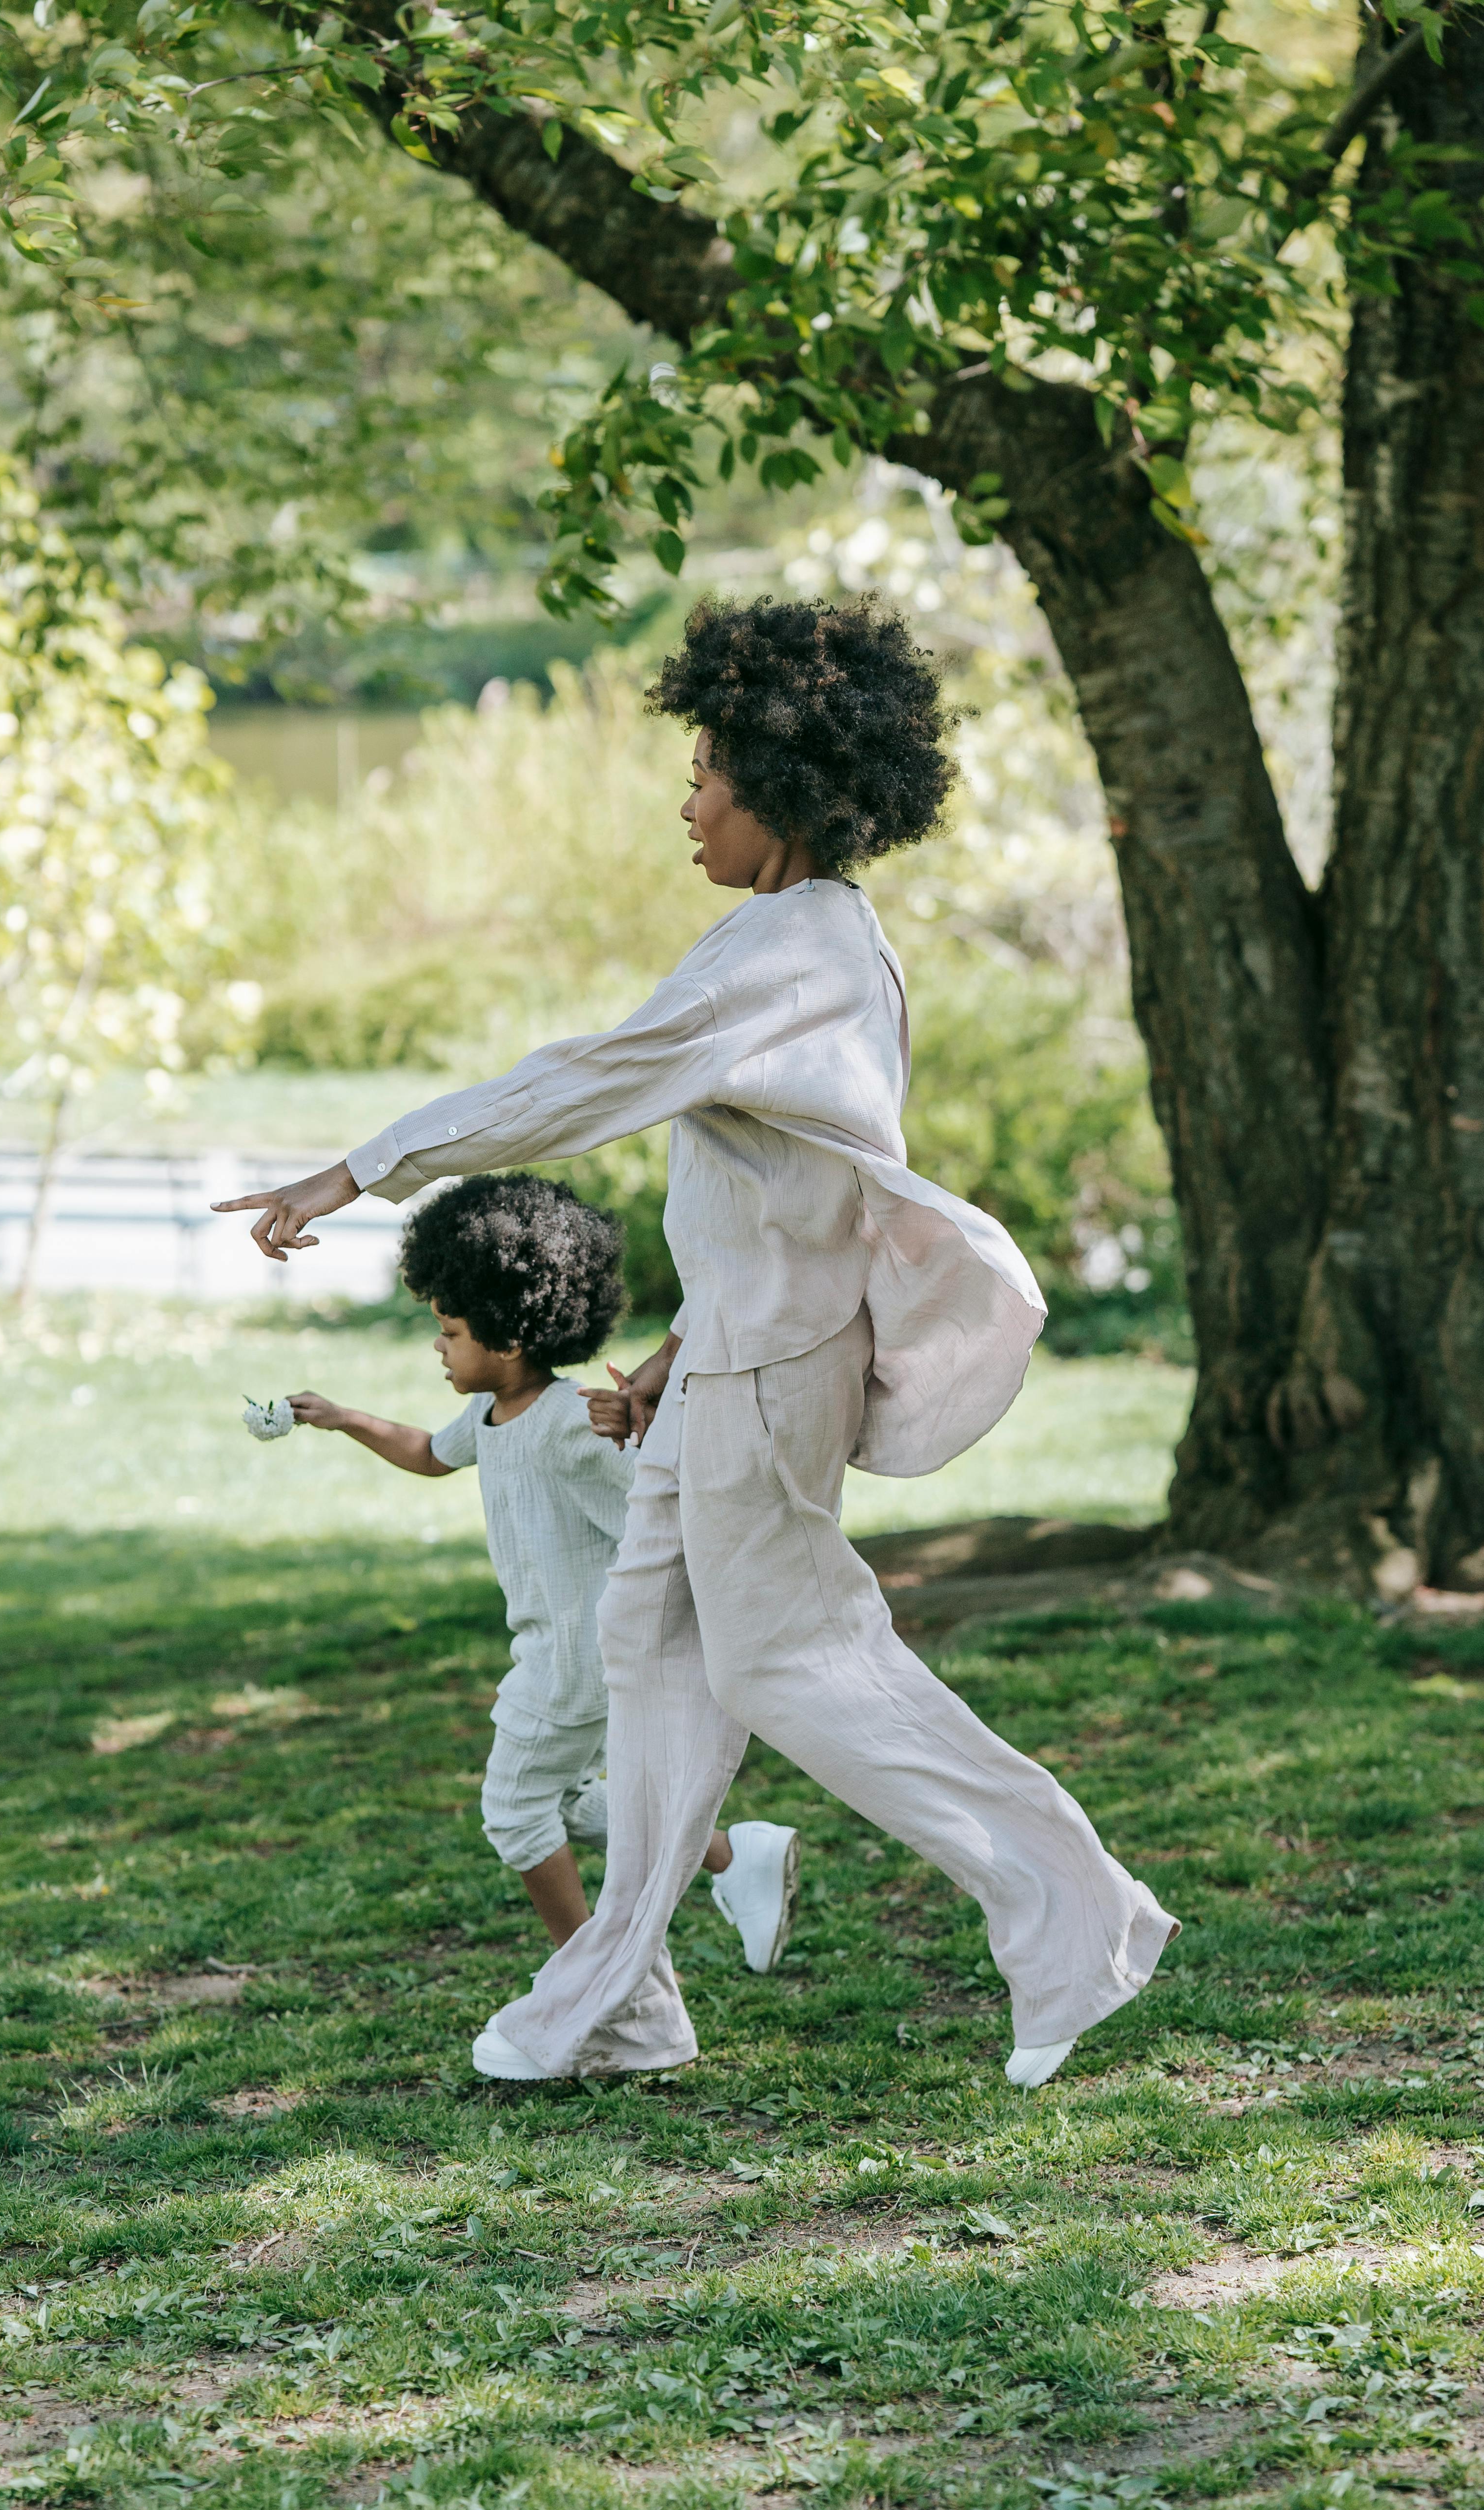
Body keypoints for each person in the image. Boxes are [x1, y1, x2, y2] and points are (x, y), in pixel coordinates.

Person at [216, 595, 1178, 2091]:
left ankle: (1074, 1920)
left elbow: (585, 1079)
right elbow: (796, 1199)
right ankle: (617, 2000)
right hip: (732, 1369)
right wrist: (674, 1352)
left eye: (708, 775)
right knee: (649, 1666)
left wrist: (361, 1169)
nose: (689, 801)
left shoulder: (779, 950)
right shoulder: (821, 940)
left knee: (800, 1669)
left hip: (765, 1385)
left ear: (776, 792)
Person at [284, 1170, 799, 1976]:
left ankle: (596, 1975)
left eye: (450, 1331)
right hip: (551, 1651)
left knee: (517, 1812)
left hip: (576, 1659)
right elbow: (429, 1453)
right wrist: (345, 1416)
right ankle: (737, 1858)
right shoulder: (493, 1414)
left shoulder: (568, 1423)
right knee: (563, 1802)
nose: (438, 1346)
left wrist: (633, 1429)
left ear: (510, 1338)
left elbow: (658, 1509)